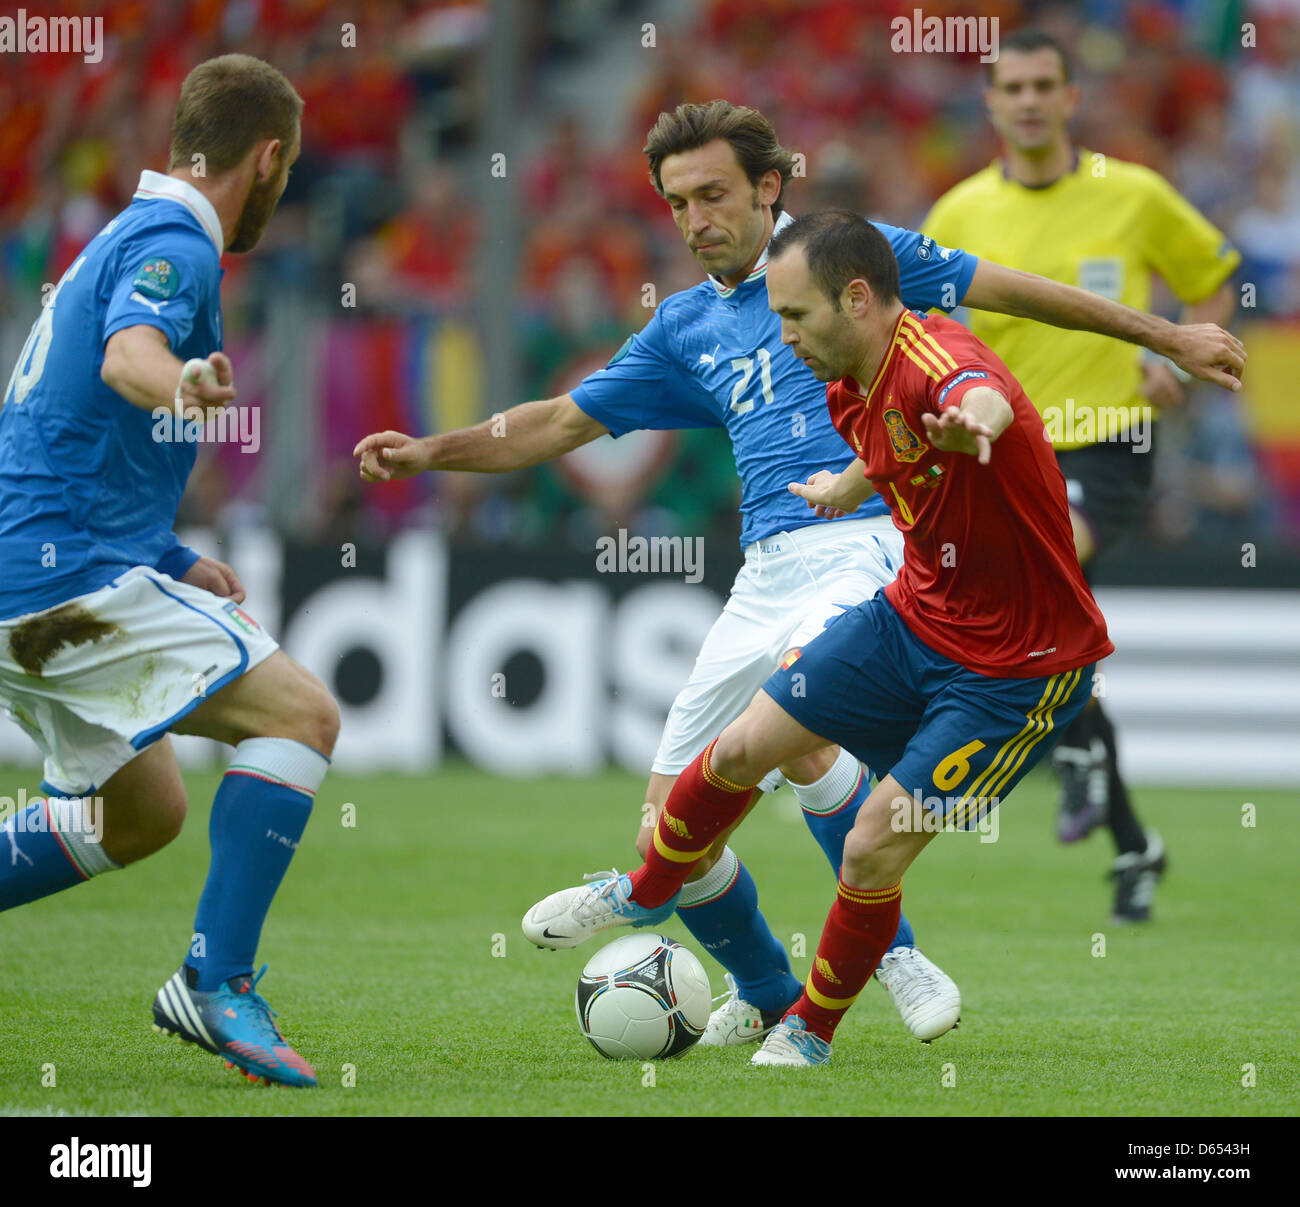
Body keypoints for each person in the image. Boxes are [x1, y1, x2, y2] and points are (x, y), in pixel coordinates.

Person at [355, 101, 1242, 1047]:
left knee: (799, 723)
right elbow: (561, 421)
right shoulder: (684, 325)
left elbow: (1015, 290)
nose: (695, 220)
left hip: (870, 546)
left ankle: (888, 949)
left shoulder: (853, 260)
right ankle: (770, 990)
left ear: (769, 187)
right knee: (671, 829)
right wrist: (432, 452)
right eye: (676, 204)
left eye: (713, 195)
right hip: (767, 563)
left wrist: (1166, 337)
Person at [522, 209, 1119, 1067]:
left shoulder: (939, 362)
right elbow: (892, 443)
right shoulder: (844, 377)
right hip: (912, 618)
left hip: (1017, 672)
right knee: (743, 745)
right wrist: (849, 481)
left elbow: (971, 392)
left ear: (859, 298)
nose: (782, 334)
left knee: (874, 844)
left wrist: (979, 424)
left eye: (794, 316)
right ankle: (646, 891)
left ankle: (810, 1027)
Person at [0, 55, 337, 1089]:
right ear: (268, 156)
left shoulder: (114, 235)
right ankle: (214, 980)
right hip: (66, 587)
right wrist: (182, 378)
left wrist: (175, 557)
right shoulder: (174, 241)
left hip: (32, 578)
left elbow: (70, 431)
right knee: (302, 718)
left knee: (142, 812)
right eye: (286, 171)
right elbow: (124, 361)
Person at [922, 29, 1241, 920]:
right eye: (1010, 86)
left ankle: (1076, 759)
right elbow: (936, 334)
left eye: (1042, 85)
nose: (1026, 100)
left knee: (1040, 575)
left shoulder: (1132, 194)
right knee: (1039, 625)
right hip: (1003, 448)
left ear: (1069, 98)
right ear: (988, 103)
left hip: (1110, 442)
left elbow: (1214, 278)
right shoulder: (957, 214)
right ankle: (1132, 834)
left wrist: (1173, 364)